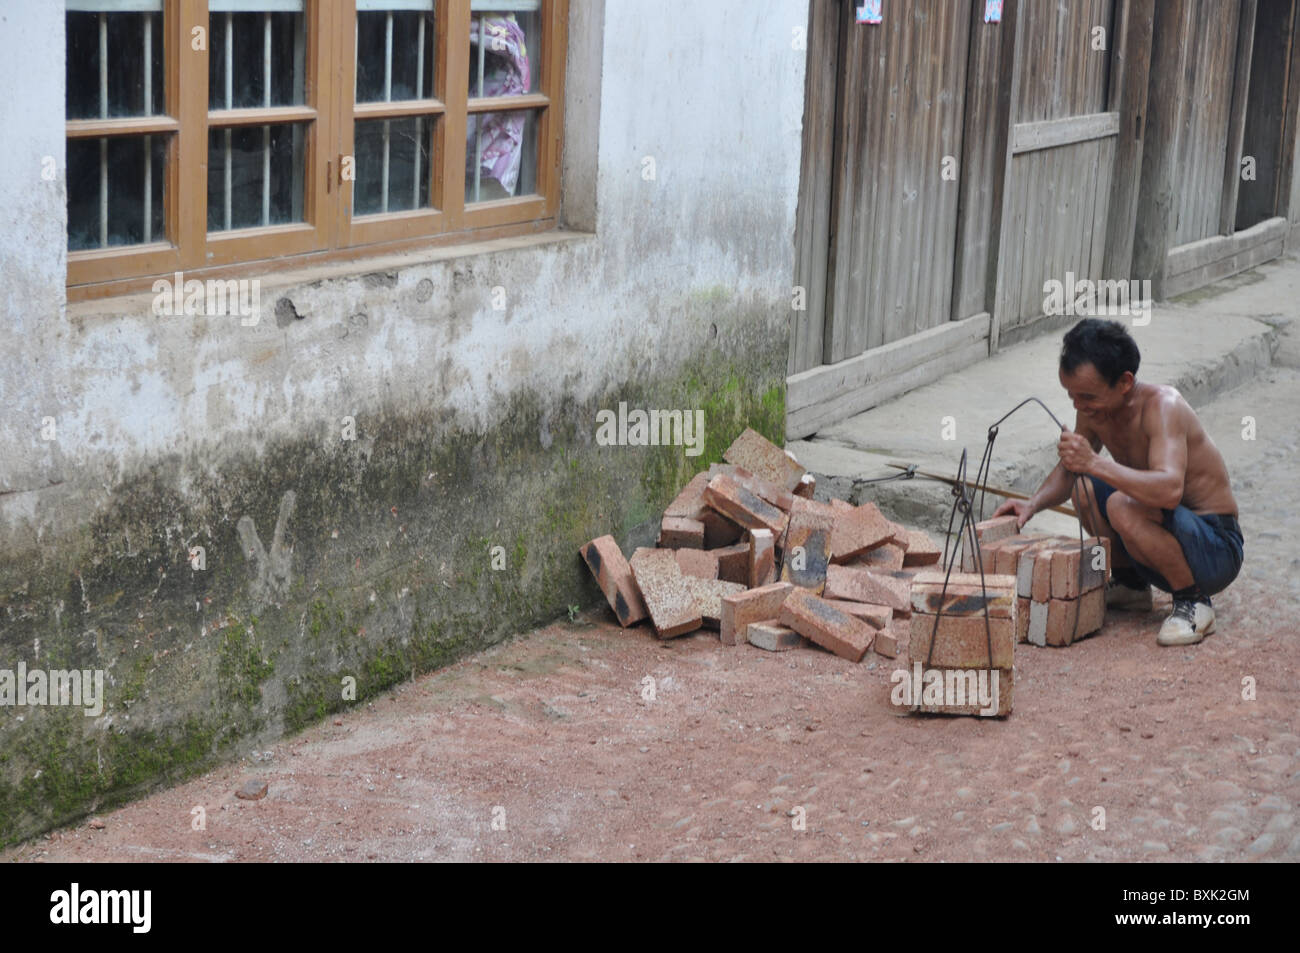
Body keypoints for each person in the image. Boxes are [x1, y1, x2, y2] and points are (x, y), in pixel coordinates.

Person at [992, 318, 1243, 645]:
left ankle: (1193, 602)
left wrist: (1094, 461)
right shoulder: (1096, 410)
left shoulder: (1163, 407)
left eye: (1087, 396)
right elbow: (1070, 470)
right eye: (1072, 397)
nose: (1079, 406)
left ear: (1125, 382)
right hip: (1169, 528)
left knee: (1121, 504)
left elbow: (1168, 491)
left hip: (1215, 548)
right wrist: (1032, 505)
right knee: (1083, 486)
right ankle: (1131, 584)